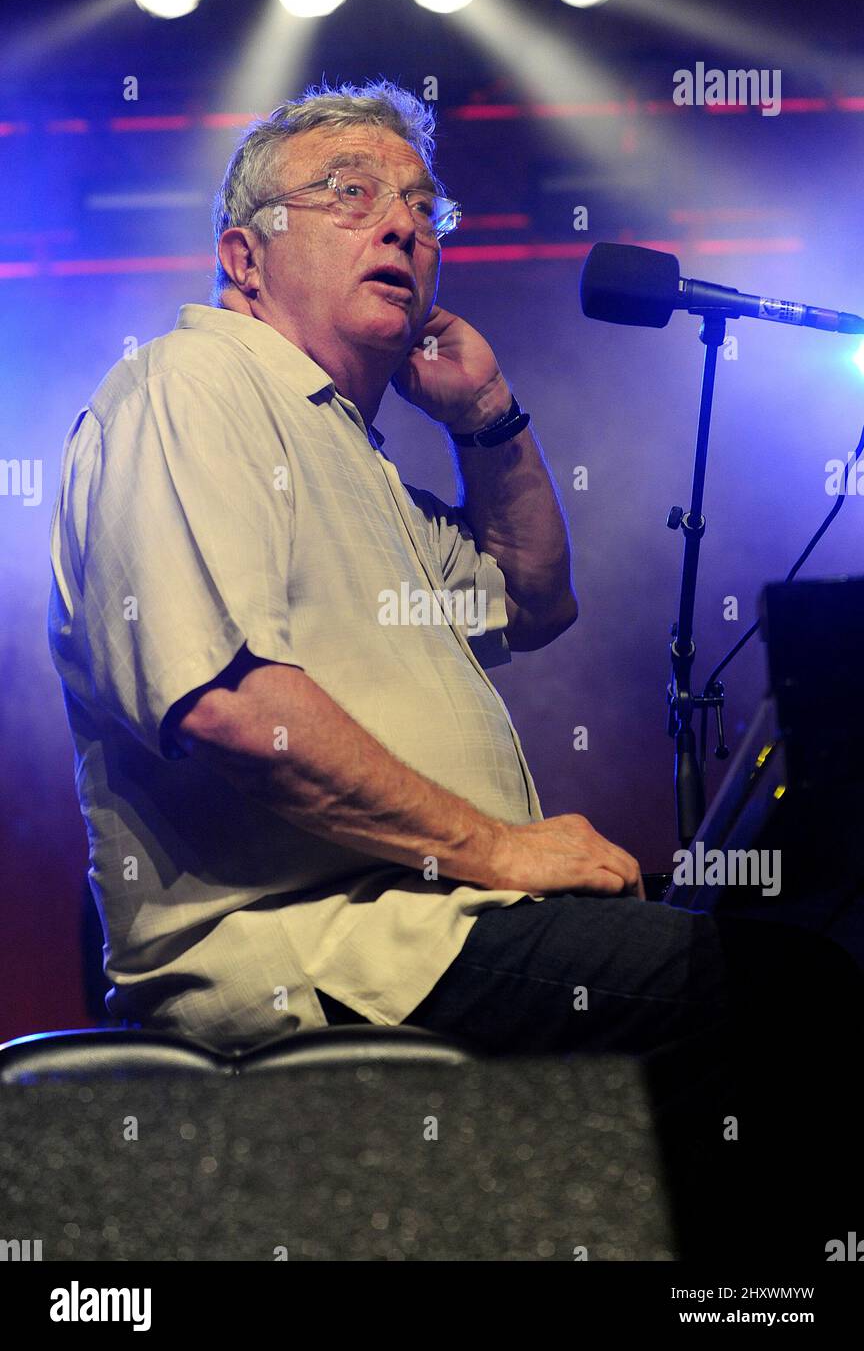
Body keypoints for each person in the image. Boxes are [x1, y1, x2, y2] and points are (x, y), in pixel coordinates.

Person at [48, 81, 860, 1255]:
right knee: (784, 994)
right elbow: (228, 705)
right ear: (244, 255)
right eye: (348, 193)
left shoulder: (353, 453)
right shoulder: (194, 387)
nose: (404, 226)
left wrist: (485, 415)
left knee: (759, 1007)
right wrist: (500, 850)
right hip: (322, 952)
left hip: (425, 936)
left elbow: (534, 596)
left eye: (426, 209)